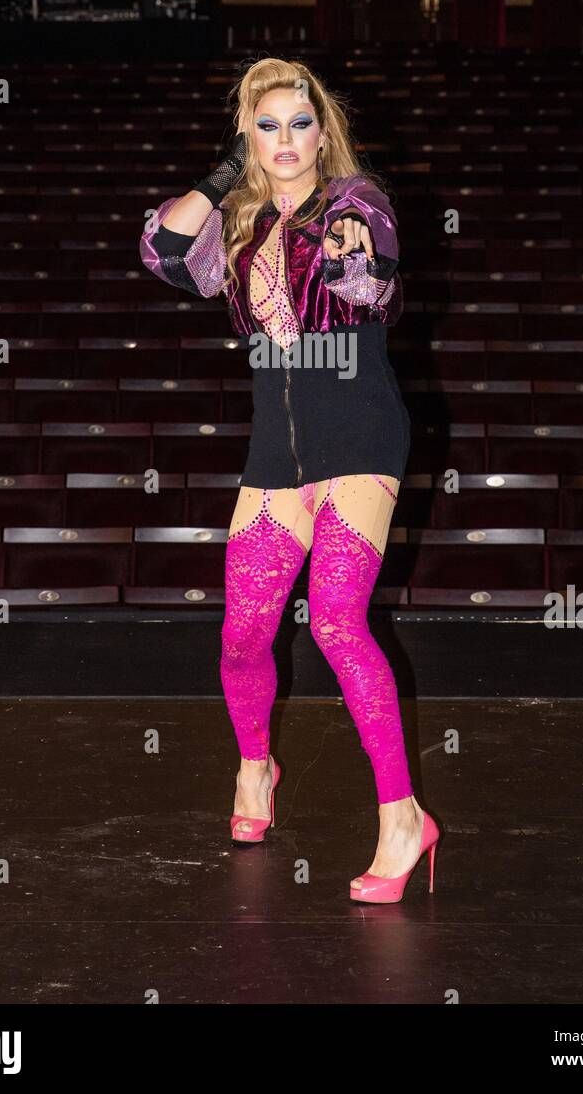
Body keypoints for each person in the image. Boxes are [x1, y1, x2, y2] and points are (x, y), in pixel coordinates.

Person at [139, 56, 439, 903]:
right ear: (248, 134)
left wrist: (347, 246)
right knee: (242, 635)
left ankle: (402, 817)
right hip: (275, 447)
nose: (285, 140)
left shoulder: (356, 199)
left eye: (299, 123)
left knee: (339, 623)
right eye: (266, 125)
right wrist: (228, 172)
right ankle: (254, 769)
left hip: (357, 430)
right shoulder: (231, 225)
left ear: (322, 130)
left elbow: (371, 271)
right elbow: (162, 250)